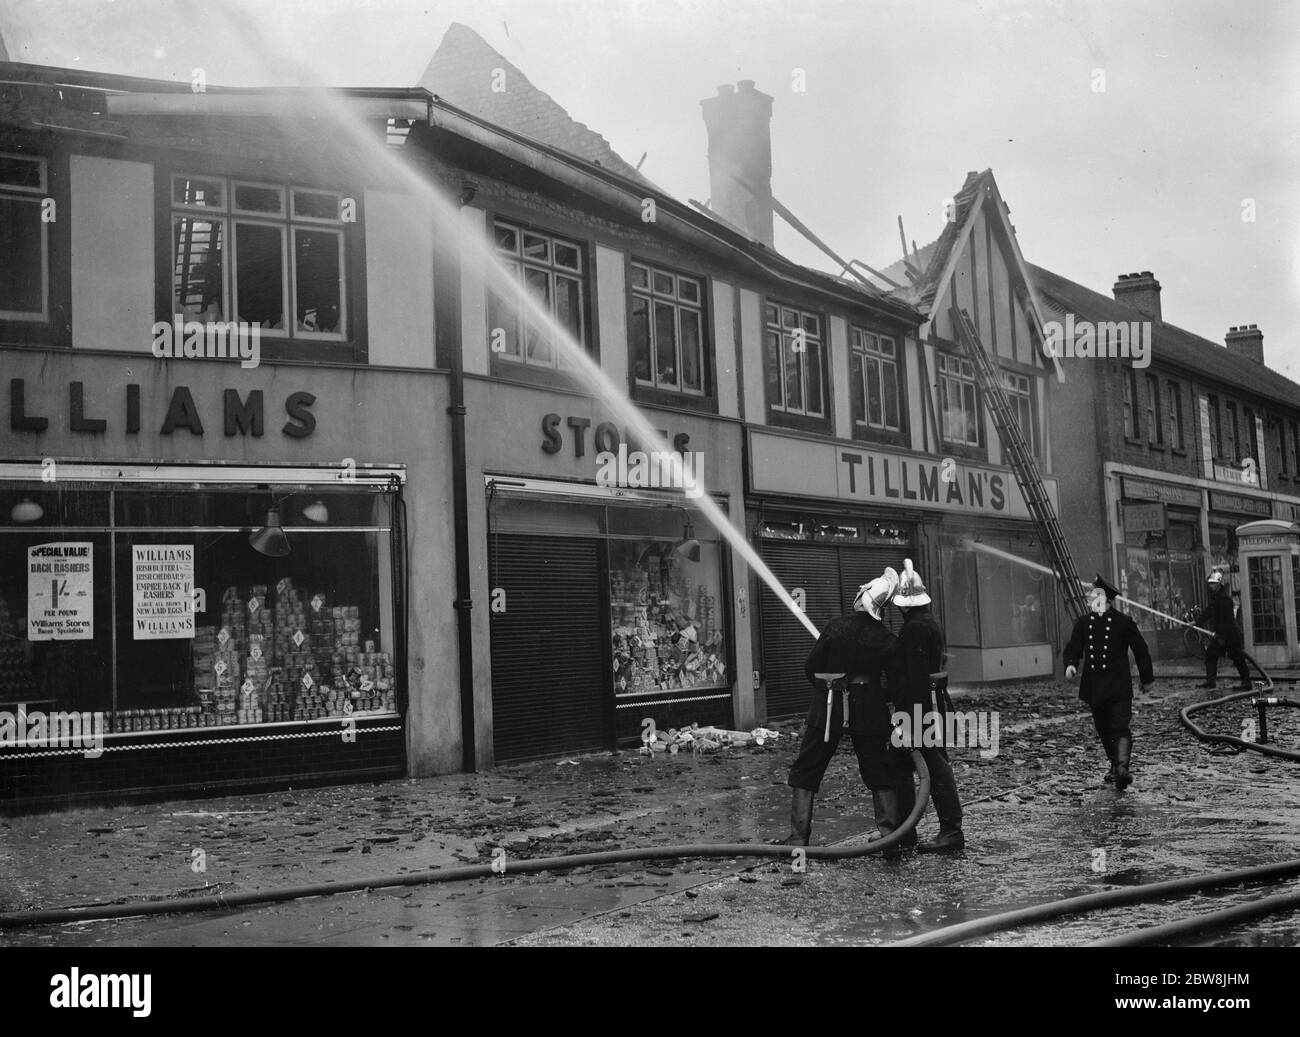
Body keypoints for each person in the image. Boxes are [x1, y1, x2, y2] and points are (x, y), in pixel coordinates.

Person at [779, 567, 916, 859]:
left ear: (863, 596)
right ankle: (889, 842)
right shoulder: (888, 639)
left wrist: (829, 687)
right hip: (868, 709)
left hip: (828, 705)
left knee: (807, 769)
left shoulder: (835, 627)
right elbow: (898, 686)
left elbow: (810, 668)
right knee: (879, 772)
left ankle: (798, 837)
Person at [891, 559, 964, 853]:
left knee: (933, 765)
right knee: (928, 763)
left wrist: (908, 719)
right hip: (933, 704)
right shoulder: (929, 621)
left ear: (904, 603)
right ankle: (911, 831)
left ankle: (949, 831)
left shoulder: (913, 630)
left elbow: (916, 678)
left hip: (922, 708)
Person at [1062, 575, 1154, 792]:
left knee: (1120, 727)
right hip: (1094, 688)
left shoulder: (1123, 622)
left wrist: (1146, 679)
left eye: (1093, 595)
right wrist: (1071, 665)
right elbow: (1073, 648)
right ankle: (1115, 764)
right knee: (1103, 729)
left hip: (1118, 687)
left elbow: (1141, 650)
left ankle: (1122, 769)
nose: (1090, 598)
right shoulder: (1084, 623)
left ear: (1104, 598)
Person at [1196, 571, 1252, 691]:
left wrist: (1221, 637)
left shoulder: (1225, 599)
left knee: (1238, 658)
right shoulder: (1216, 598)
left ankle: (1246, 682)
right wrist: (1196, 623)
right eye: (1210, 583)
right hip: (1220, 635)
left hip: (1230, 635)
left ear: (1219, 584)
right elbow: (1209, 612)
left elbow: (1226, 621)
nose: (1211, 586)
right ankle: (1210, 681)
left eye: (1213, 584)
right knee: (1210, 655)